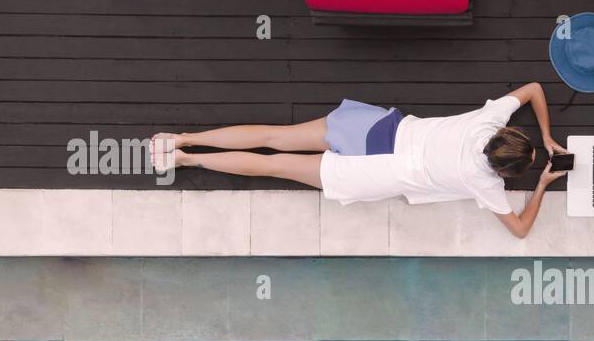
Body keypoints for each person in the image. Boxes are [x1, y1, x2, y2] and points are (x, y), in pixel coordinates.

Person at [152, 82, 567, 238]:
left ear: (505, 135)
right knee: (271, 164)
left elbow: (533, 89)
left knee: (274, 136)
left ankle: (182, 138)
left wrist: (545, 135)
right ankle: (187, 161)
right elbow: (520, 230)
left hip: (373, 131)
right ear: (503, 171)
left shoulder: (487, 120)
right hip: (372, 173)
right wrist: (543, 185)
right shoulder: (485, 184)